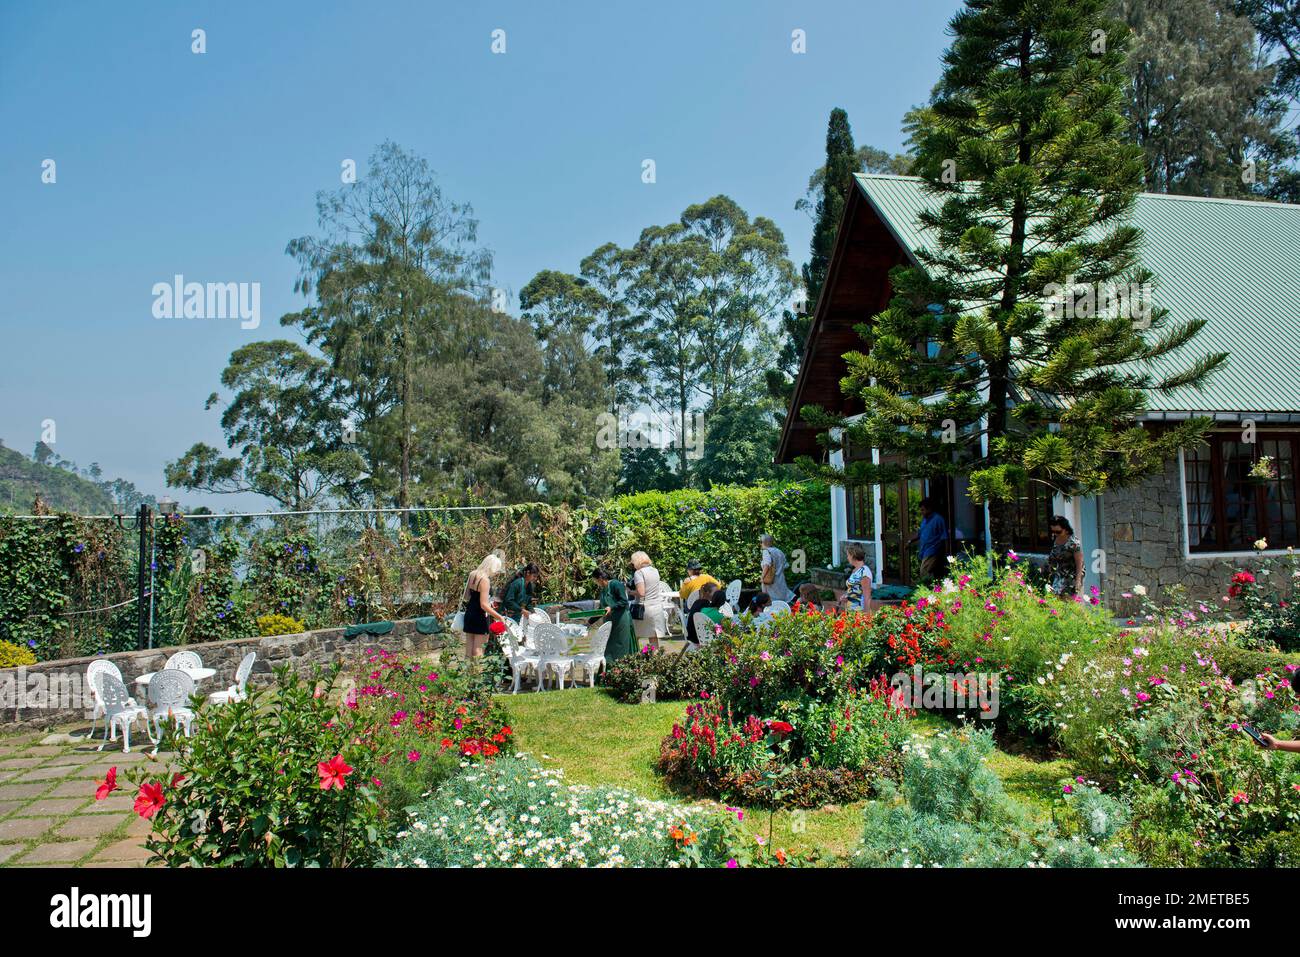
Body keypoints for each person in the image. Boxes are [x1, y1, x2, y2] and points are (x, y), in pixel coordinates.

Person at [461, 552, 507, 663]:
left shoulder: (472, 574)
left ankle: (466, 676)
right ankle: (476, 676)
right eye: (496, 570)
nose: (496, 573)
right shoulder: (485, 580)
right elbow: (484, 604)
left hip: (470, 612)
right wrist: (499, 617)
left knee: (469, 650)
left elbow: (466, 596)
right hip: (479, 616)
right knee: (478, 650)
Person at [594, 565, 636, 664]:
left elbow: (624, 601)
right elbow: (601, 609)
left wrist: (611, 607)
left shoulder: (616, 584)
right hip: (610, 622)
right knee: (609, 646)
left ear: (600, 578)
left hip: (621, 621)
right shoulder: (603, 589)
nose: (595, 583)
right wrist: (589, 622)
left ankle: (623, 669)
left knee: (621, 646)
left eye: (595, 580)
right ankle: (610, 671)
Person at [631, 551, 669, 650]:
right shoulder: (655, 570)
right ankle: (655, 661)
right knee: (653, 636)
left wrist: (629, 592)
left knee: (634, 635)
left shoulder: (639, 573)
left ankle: (633, 657)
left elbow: (641, 593)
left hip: (644, 609)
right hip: (657, 607)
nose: (632, 564)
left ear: (637, 561)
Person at [908, 498, 949, 583]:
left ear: (929, 509)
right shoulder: (924, 520)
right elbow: (920, 534)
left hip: (933, 550)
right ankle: (933, 591)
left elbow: (944, 537)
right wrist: (909, 542)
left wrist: (946, 552)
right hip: (924, 549)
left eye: (923, 510)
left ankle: (927, 591)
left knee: (924, 571)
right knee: (930, 573)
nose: (921, 512)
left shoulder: (938, 519)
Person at [1046, 515, 1084, 597]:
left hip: (1071, 574)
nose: (1055, 534)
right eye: (1053, 531)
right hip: (1059, 572)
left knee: (1066, 599)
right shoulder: (1055, 538)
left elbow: (1079, 563)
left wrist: (1078, 580)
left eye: (1058, 532)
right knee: (1054, 598)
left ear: (1066, 529)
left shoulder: (1073, 542)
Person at [760, 534, 793, 602]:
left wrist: (762, 577)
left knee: (770, 602)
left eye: (761, 542)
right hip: (780, 580)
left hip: (770, 582)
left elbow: (767, 565)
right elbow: (786, 565)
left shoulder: (766, 551)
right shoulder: (779, 551)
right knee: (782, 602)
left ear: (764, 542)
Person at [844, 543, 873, 613]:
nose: (847, 558)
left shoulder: (864, 572)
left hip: (859, 613)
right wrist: (846, 595)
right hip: (851, 611)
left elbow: (867, 597)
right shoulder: (856, 570)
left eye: (848, 555)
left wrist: (866, 617)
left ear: (853, 555)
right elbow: (855, 589)